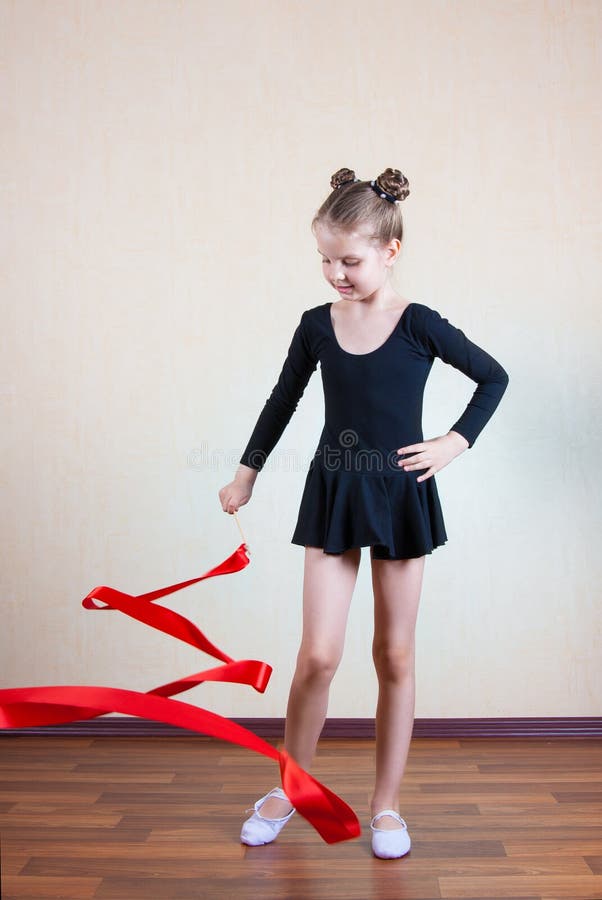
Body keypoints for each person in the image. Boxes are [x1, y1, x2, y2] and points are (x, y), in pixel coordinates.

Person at [218, 167, 509, 859]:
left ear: (390, 250)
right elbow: (283, 398)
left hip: (401, 495)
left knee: (394, 654)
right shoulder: (316, 326)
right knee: (318, 655)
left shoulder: (419, 324)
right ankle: (291, 788)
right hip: (335, 490)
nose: (335, 274)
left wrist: (453, 442)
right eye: (325, 260)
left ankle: (386, 806)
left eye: (349, 261)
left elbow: (493, 376)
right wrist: (246, 473)